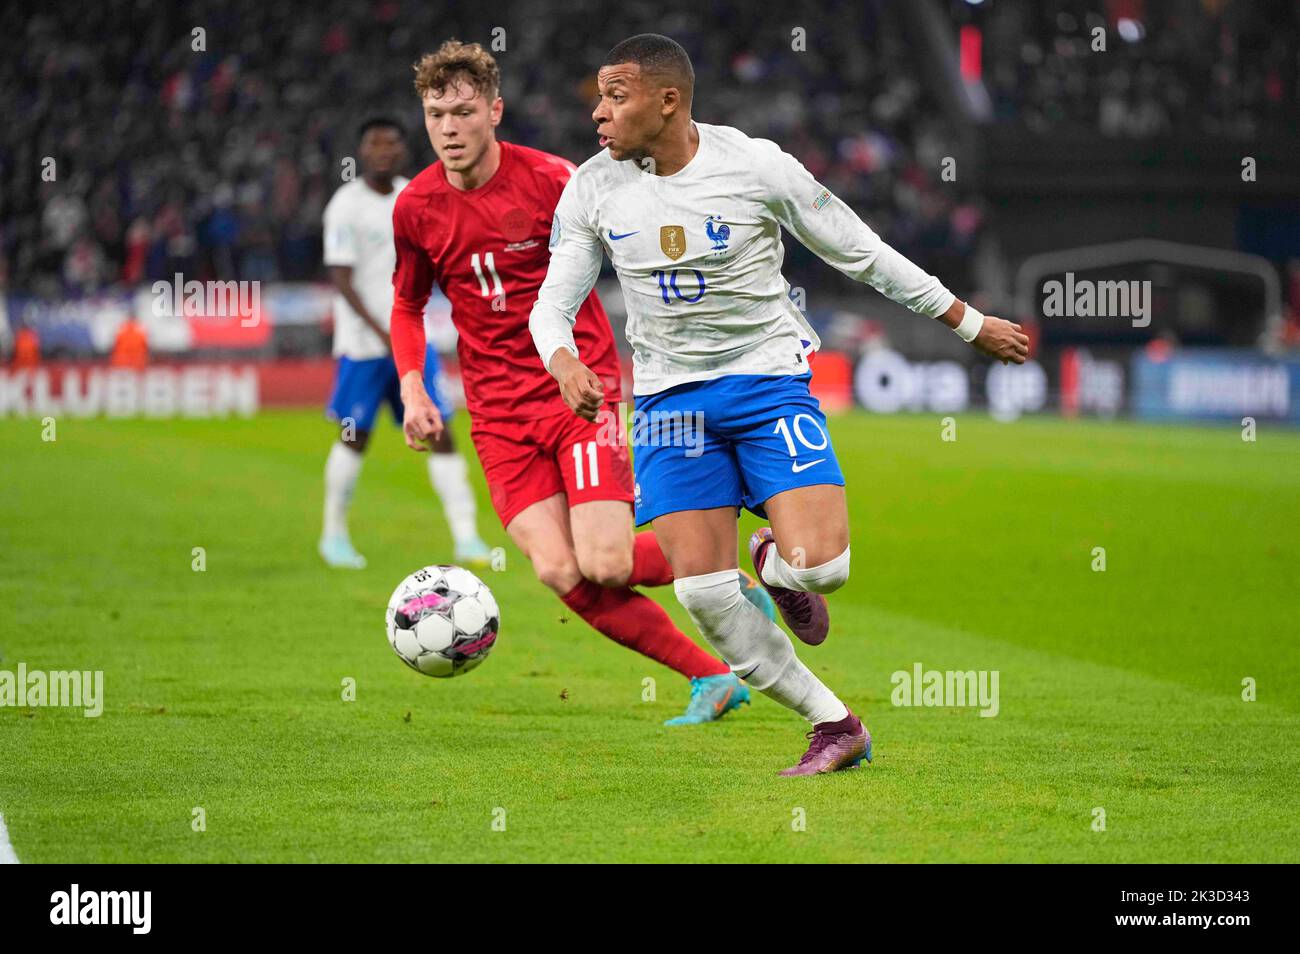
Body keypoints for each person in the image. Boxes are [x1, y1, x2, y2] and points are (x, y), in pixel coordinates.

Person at [530, 34, 1029, 773]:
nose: (598, 113)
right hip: (669, 403)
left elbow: (860, 250)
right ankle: (835, 724)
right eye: (600, 98)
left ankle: (773, 561)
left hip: (765, 384)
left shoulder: (754, 166)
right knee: (702, 593)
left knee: (823, 570)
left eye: (615, 96)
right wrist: (562, 356)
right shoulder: (593, 188)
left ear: (667, 101)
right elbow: (551, 304)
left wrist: (967, 321)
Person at [391, 40, 774, 725]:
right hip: (497, 415)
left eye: (463, 111)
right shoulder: (415, 208)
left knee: (605, 561)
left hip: (580, 391)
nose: (448, 127)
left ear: (495, 111)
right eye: (435, 113)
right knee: (559, 572)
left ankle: (733, 577)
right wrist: (413, 386)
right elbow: (408, 304)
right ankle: (713, 676)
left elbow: (641, 229)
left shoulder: (555, 182)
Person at [321, 116, 489, 570]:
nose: (383, 151)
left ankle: (467, 538)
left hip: (414, 342)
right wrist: (383, 332)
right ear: (361, 150)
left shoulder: (413, 196)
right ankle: (333, 535)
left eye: (391, 143)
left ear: (401, 150)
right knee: (355, 436)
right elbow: (341, 277)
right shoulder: (345, 205)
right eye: (374, 143)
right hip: (363, 347)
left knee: (443, 433)